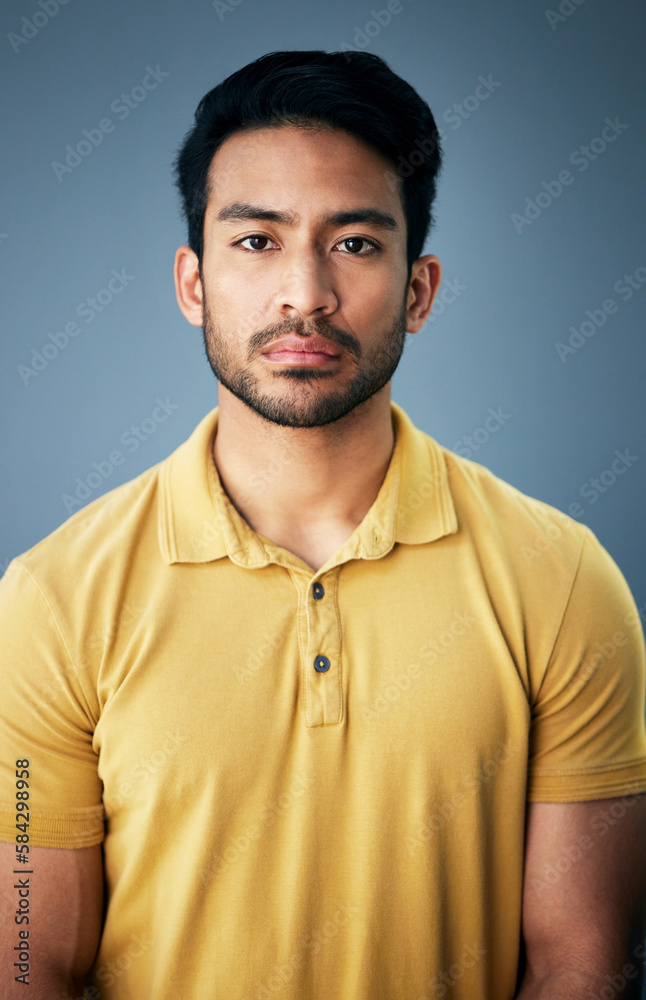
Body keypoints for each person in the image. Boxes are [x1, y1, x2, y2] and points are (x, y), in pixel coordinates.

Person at [1, 49, 645, 1000]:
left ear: (419, 290)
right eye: (257, 240)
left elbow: (579, 968)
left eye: (354, 244)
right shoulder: (52, 598)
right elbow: (24, 966)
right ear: (193, 284)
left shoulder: (563, 580)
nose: (304, 292)